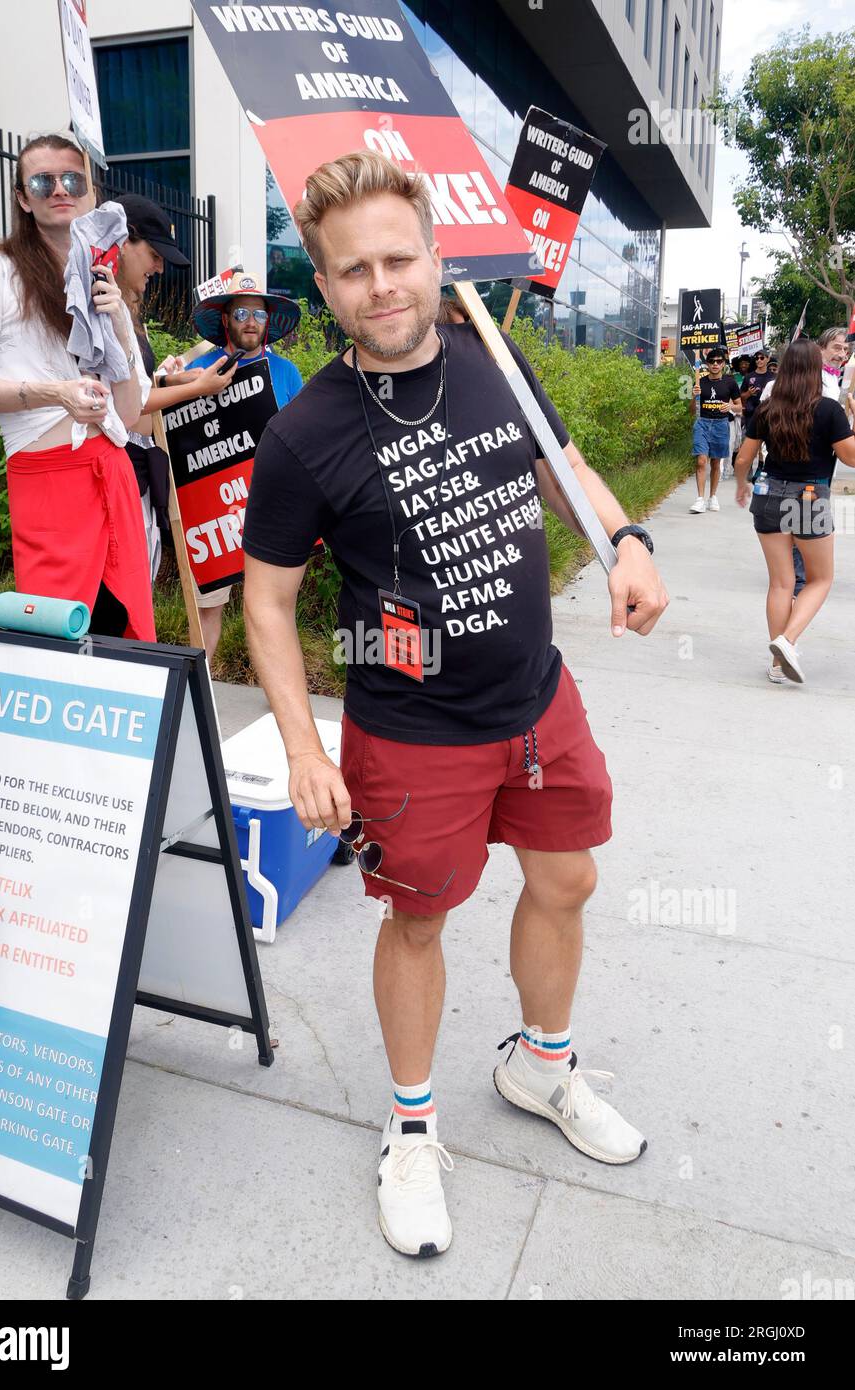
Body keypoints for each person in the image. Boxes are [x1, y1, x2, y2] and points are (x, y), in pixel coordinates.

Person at [241, 150, 668, 1258]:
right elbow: (270, 605)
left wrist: (620, 541)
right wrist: (301, 744)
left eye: (398, 258)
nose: (380, 285)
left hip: (538, 697)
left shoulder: (494, 353)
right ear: (324, 288)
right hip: (415, 731)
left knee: (568, 877)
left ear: (435, 257)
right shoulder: (304, 436)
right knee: (418, 917)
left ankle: (541, 1064)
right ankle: (412, 1124)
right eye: (351, 270)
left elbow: (561, 468)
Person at [0, 135, 154, 640]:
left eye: (73, 179)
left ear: (90, 192)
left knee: (118, 632)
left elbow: (127, 415)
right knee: (55, 636)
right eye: (42, 181)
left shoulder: (104, 281)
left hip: (113, 475)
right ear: (22, 197)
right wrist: (55, 392)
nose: (59, 189)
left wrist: (121, 327)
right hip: (48, 482)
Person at [114, 193, 241, 583]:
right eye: (154, 253)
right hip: (122, 461)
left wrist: (173, 378)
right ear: (123, 241)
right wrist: (197, 388)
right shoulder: (105, 309)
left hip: (142, 461)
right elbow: (128, 405)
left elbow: (134, 384)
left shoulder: (128, 307)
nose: (158, 266)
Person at [189, 269, 304, 661]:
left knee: (271, 610)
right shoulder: (197, 371)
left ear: (268, 321)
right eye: (241, 314)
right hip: (212, 514)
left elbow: (302, 439)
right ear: (225, 319)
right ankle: (194, 691)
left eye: (258, 314)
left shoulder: (287, 372)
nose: (251, 322)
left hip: (269, 508)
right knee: (208, 609)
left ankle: (279, 696)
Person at [735, 338, 855, 684]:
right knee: (820, 579)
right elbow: (850, 457)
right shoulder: (829, 410)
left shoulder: (768, 408)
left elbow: (744, 458)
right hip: (809, 498)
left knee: (781, 583)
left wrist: (742, 484)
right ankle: (787, 641)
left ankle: (776, 665)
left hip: (768, 493)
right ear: (817, 371)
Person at [690, 347, 742, 513]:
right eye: (712, 361)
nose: (715, 364)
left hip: (720, 424)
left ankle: (713, 496)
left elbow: (740, 407)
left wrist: (731, 406)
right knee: (701, 460)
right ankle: (700, 499)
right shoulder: (700, 382)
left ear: (723, 364)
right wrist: (693, 395)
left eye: (719, 361)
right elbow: (692, 410)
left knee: (715, 462)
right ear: (707, 364)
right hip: (702, 423)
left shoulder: (730, 382)